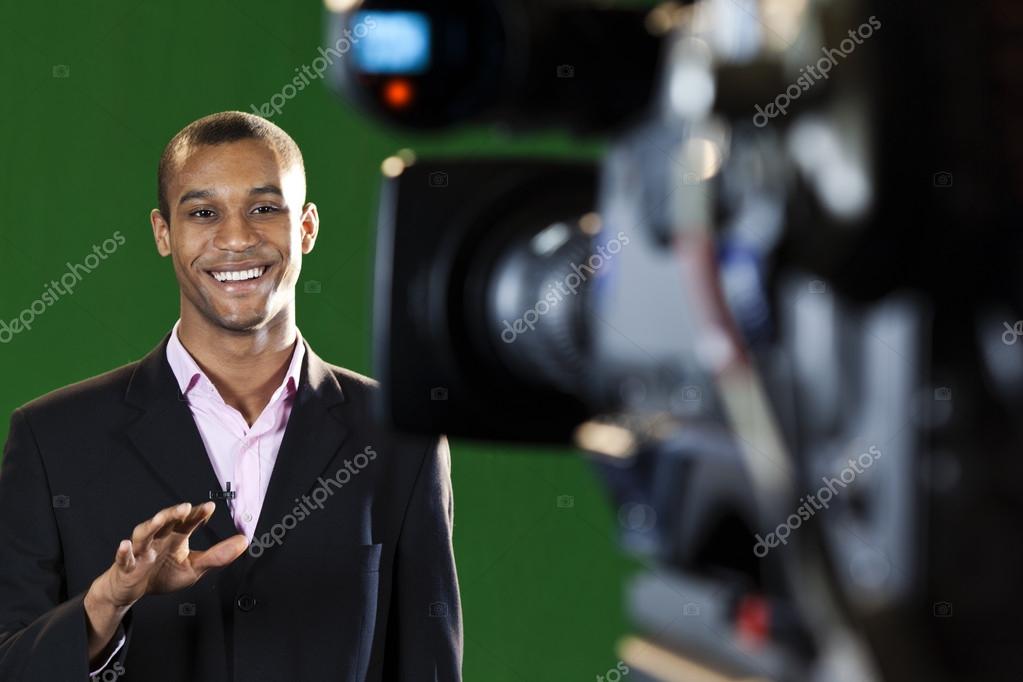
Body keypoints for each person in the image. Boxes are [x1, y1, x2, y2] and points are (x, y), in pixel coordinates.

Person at [0, 111, 462, 681]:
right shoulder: (52, 439)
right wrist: (108, 602)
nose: (237, 237)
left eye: (265, 208)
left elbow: (429, 665)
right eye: (202, 213)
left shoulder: (401, 436)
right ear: (163, 233)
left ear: (308, 228)